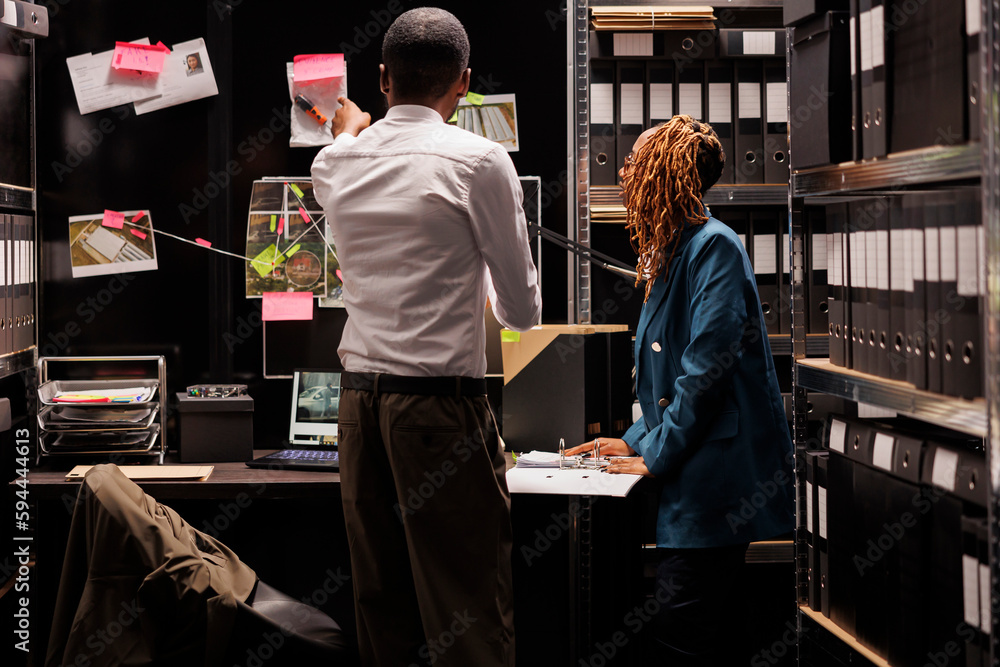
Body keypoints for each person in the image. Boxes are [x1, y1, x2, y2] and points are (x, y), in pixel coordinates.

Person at [310, 8, 540, 667]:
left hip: (357, 413)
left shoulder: (335, 165)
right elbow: (522, 313)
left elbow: (350, 145)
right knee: (466, 614)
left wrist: (354, 128)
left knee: (383, 614)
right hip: (438, 410)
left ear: (381, 77)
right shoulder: (481, 161)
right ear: (463, 83)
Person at [567, 116, 794, 665]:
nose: (625, 172)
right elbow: (661, 387)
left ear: (669, 176)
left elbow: (704, 373)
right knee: (706, 636)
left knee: (680, 636)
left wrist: (652, 455)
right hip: (692, 474)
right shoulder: (671, 254)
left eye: (638, 162)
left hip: (716, 483)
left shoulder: (713, 247)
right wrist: (632, 439)